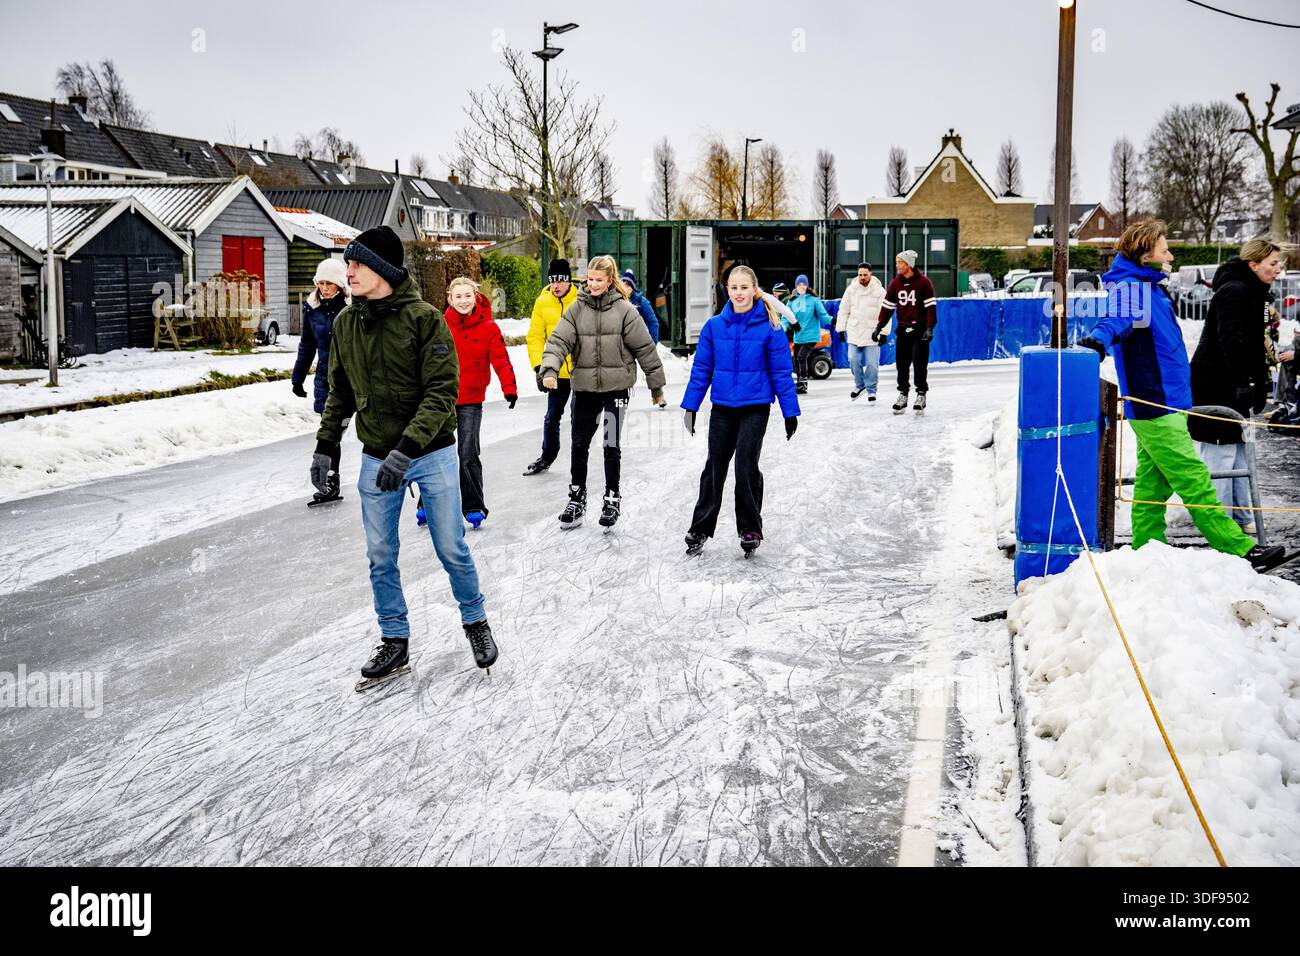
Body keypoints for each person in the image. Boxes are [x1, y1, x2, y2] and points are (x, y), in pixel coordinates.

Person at [310, 226, 498, 684]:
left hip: (430, 453)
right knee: (380, 554)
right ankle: (395, 641)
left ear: (383, 269)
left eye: (356, 263)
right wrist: (325, 445)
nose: (347, 271)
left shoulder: (424, 319)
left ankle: (476, 622)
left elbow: (441, 393)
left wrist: (407, 449)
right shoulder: (345, 324)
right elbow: (341, 392)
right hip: (377, 454)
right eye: (348, 263)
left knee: (451, 547)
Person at [1078, 219, 1286, 571]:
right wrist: (1097, 341)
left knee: (1151, 487)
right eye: (1164, 249)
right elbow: (1116, 319)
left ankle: (1147, 552)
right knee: (1194, 478)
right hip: (1154, 402)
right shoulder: (1134, 289)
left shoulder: (1150, 287)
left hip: (1167, 401)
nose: (1171, 254)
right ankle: (1237, 548)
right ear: (1146, 256)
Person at [537, 254, 667, 530]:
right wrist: (549, 370)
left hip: (616, 389)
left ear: (610, 281)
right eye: (590, 279)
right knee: (579, 443)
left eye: (598, 280)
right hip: (584, 388)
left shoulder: (625, 311)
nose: (593, 284)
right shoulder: (576, 310)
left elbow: (644, 348)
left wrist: (656, 385)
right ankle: (576, 497)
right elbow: (558, 341)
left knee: (611, 444)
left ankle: (611, 497)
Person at [681, 266, 800, 557]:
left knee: (745, 465)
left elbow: (782, 373)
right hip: (722, 408)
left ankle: (750, 528)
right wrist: (691, 406)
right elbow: (701, 370)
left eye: (744, 287)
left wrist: (789, 411)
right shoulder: (714, 327)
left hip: (755, 407)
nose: (739, 293)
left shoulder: (770, 328)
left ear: (754, 290)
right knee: (715, 466)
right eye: (733, 288)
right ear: (727, 291)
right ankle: (700, 527)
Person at [1189, 239, 1287, 533]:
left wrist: (1259, 380)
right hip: (1217, 384)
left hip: (1234, 383)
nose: (1279, 270)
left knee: (1241, 451)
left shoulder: (1255, 293)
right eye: (1273, 264)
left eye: (1279, 263)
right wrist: (1247, 381)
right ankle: (1218, 522)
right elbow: (1231, 341)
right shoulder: (1236, 291)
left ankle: (1242, 517)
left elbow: (1253, 341)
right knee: (1221, 452)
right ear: (1253, 265)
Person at [444, 275, 518, 529]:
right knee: (437, 454)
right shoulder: (440, 326)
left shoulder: (488, 328)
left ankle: (474, 505)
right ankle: (427, 502)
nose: (463, 301)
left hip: (471, 400)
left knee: (467, 453)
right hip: (440, 399)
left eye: (468, 296)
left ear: (476, 297)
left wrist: (509, 387)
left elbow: (500, 359)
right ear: (449, 299)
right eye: (458, 296)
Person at [291, 257, 350, 505]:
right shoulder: (311, 307)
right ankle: (330, 480)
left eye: (329, 283)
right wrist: (298, 377)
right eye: (321, 283)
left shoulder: (350, 307)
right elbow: (307, 344)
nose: (324, 288)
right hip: (327, 379)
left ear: (339, 285)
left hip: (351, 378)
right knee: (331, 430)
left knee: (346, 428)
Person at [522, 259, 579, 476]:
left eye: (560, 281)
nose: (556, 286)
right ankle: (547, 456)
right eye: (552, 281)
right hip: (555, 371)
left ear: (568, 280)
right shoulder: (542, 302)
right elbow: (535, 337)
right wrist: (540, 367)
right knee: (552, 416)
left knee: (577, 415)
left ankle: (578, 457)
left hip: (579, 370)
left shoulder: (581, 299)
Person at [874, 250, 937, 414]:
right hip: (903, 329)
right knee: (902, 365)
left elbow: (930, 308)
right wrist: (878, 327)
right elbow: (887, 308)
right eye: (896, 262)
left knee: (919, 363)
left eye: (900, 262)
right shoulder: (895, 284)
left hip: (920, 329)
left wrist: (930, 328)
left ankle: (921, 394)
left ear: (908, 264)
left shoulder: (924, 283)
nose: (897, 266)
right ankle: (903, 394)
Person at [836, 262, 886, 402]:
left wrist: (884, 333)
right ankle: (859, 385)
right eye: (860, 275)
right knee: (853, 359)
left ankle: (871, 390)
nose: (862, 277)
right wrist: (840, 329)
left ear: (870, 274)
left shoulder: (879, 291)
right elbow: (843, 310)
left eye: (865, 274)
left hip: (872, 333)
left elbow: (885, 313)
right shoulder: (851, 290)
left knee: (871, 364)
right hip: (854, 331)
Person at [783, 274, 831, 394]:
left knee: (801, 357)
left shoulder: (814, 300)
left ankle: (803, 384)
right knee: (795, 360)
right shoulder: (792, 301)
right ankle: (799, 381)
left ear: (807, 286)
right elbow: (786, 317)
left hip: (811, 335)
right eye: (799, 284)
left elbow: (823, 315)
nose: (802, 286)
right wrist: (782, 328)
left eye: (804, 284)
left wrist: (832, 320)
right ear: (796, 286)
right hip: (798, 336)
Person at [621, 269, 661, 344]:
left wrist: (653, 344)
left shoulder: (642, 302)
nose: (625, 289)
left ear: (633, 288)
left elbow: (653, 322)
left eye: (628, 286)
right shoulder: (616, 301)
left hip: (637, 341)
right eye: (623, 286)